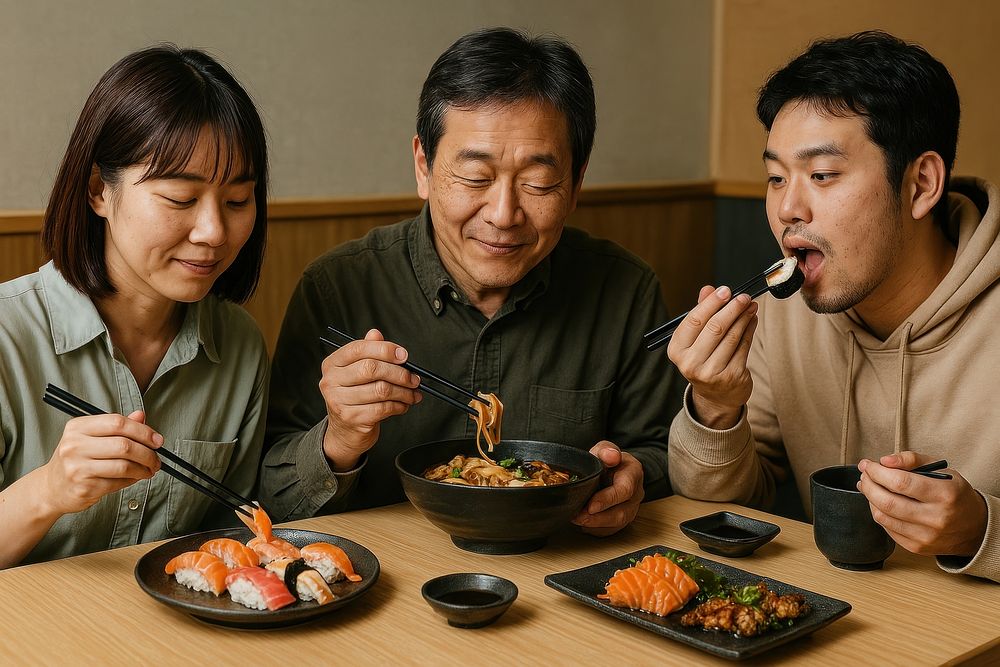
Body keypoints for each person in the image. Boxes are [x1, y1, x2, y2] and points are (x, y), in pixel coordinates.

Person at [264, 27, 683, 535]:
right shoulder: (338, 288)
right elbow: (270, 494)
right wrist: (340, 439)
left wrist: (633, 478)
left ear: (575, 184)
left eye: (538, 183)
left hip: (558, 568)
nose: (504, 215)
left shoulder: (624, 290)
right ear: (423, 166)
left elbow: (660, 452)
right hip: (384, 573)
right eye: (475, 178)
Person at [667, 31, 999, 582]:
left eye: (821, 175)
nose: (787, 208)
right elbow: (723, 510)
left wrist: (981, 528)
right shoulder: (785, 309)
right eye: (776, 178)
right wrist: (716, 406)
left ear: (920, 184)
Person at [0, 45, 271, 567]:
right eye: (181, 199)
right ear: (99, 191)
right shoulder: (8, 336)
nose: (214, 232)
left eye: (237, 201)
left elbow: (232, 538)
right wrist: (48, 490)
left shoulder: (238, 344)